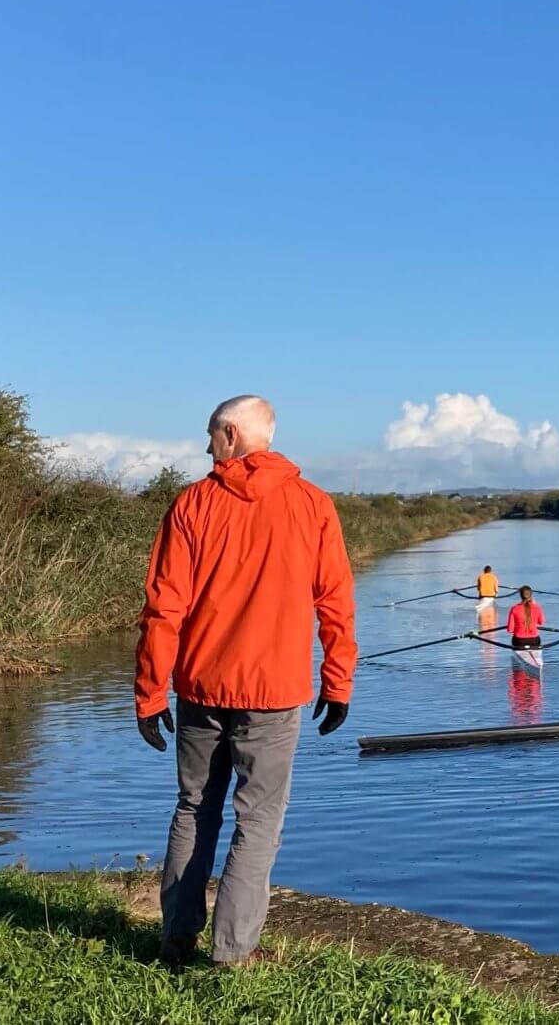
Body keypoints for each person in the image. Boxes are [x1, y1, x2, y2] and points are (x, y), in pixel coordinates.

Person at [136, 395, 357, 968]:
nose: (206, 445)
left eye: (211, 434)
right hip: (274, 692)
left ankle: (177, 939)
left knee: (194, 808)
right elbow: (335, 603)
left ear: (231, 434)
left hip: (201, 686)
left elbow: (163, 608)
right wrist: (337, 682)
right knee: (257, 819)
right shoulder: (313, 505)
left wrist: (150, 692)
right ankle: (233, 952)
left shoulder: (192, 504)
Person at [505, 585, 547, 652]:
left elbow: (510, 630)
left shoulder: (514, 608)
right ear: (531, 595)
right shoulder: (537, 607)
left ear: (520, 596)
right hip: (534, 641)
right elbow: (541, 622)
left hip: (519, 641)